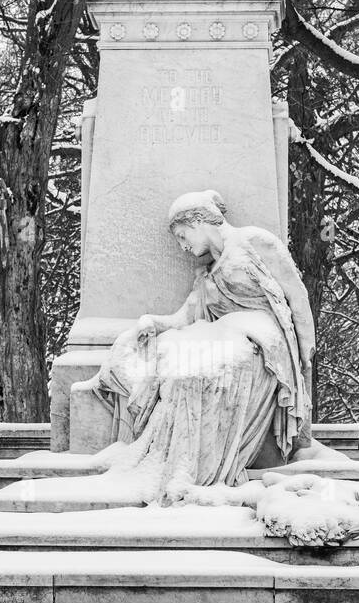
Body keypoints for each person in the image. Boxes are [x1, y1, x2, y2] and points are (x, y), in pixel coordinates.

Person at [87, 189, 320, 497]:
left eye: (183, 237)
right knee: (181, 375)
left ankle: (197, 471)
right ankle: (178, 469)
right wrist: (150, 323)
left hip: (261, 342)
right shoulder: (206, 275)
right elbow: (182, 318)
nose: (183, 247)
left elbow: (297, 297)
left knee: (200, 377)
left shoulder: (256, 242)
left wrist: (305, 358)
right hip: (226, 338)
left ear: (198, 221)